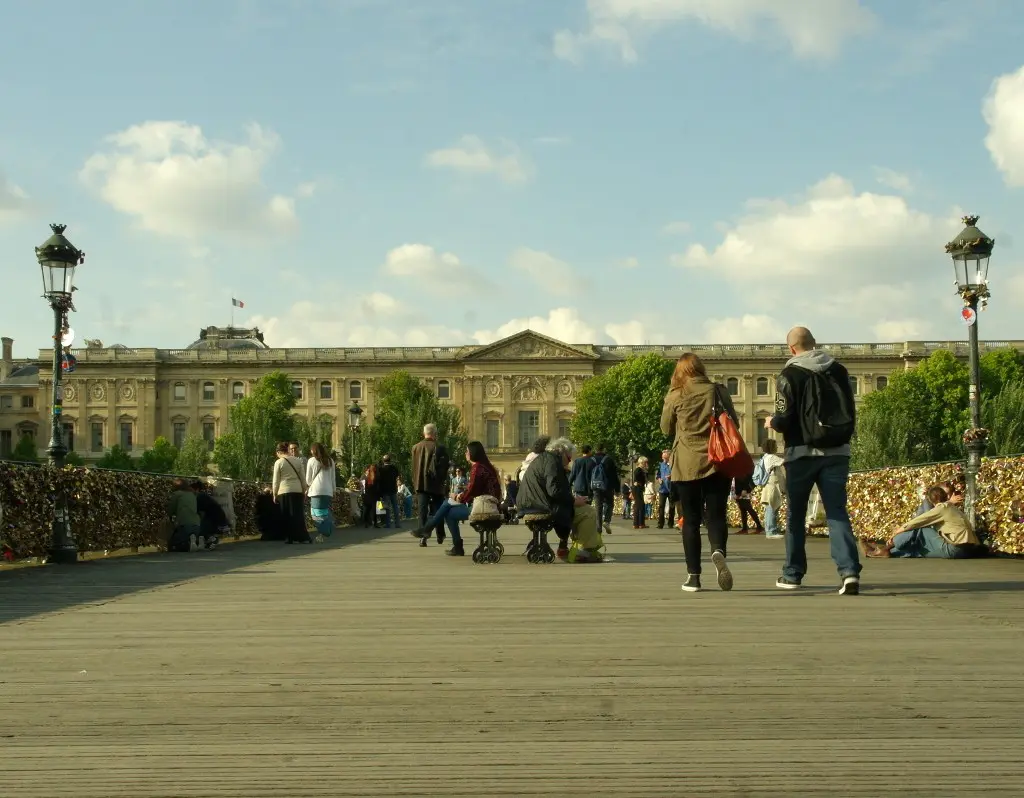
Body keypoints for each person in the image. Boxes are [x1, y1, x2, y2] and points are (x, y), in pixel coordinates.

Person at [766, 326, 861, 595]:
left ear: (791, 349)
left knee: (796, 515)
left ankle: (793, 574)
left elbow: (784, 419)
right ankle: (849, 571)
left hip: (801, 454)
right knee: (837, 513)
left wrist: (772, 421)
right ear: (815, 343)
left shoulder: (789, 374)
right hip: (837, 452)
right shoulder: (839, 370)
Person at [660, 353, 737, 593]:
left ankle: (693, 577)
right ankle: (718, 550)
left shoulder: (676, 395)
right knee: (716, 516)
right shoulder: (719, 391)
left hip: (686, 463)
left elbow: (665, 428)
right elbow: (733, 421)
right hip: (718, 460)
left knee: (691, 521)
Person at [517, 436, 604, 562]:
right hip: (540, 505)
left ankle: (568, 547)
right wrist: (574, 501)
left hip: (531, 502)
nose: (569, 462)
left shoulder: (545, 459)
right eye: (569, 458)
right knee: (588, 512)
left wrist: (572, 499)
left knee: (578, 510)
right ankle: (584, 551)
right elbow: (554, 490)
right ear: (562, 452)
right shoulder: (552, 462)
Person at [411, 441, 501, 556]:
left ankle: (431, 530)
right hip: (488, 505)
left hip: (484, 507)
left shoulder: (477, 468)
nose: (465, 454)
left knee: (448, 507)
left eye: (467, 451)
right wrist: (459, 497)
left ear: (473, 453)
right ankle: (431, 531)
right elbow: (475, 489)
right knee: (448, 508)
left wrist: (458, 497)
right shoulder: (485, 466)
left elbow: (472, 490)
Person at [861, 485, 980, 558]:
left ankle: (886, 548)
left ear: (932, 499)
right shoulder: (953, 508)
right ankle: (886, 551)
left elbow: (916, 522)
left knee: (921, 529)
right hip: (967, 550)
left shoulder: (942, 508)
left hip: (954, 549)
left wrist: (897, 532)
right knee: (919, 549)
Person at [411, 423, 451, 547]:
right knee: (438, 510)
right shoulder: (439, 447)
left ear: (424, 433)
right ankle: (440, 534)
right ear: (435, 434)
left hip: (421, 484)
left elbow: (413, 467)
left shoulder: (416, 447)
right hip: (436, 484)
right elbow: (445, 467)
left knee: (422, 511)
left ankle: (423, 538)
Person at [273, 441, 311, 544]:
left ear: (279, 452)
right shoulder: (298, 461)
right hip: (297, 490)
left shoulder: (279, 462)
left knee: (286, 515)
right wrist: (304, 490)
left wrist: (274, 493)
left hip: (284, 490)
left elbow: (276, 480)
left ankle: (289, 537)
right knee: (298, 514)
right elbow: (303, 478)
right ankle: (302, 536)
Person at [754, 439, 786, 539]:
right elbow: (785, 461)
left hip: (769, 485)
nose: (777, 447)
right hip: (772, 484)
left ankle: (771, 529)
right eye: (775, 445)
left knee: (770, 507)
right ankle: (771, 531)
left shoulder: (765, 457)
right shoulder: (772, 457)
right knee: (772, 507)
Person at [306, 443, 337, 539]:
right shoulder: (330, 461)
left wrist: (308, 486)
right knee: (323, 511)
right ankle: (327, 527)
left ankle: (326, 530)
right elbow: (333, 477)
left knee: (316, 514)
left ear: (313, 450)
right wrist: (334, 490)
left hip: (316, 490)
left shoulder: (311, 460)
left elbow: (308, 479)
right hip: (328, 490)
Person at [166, 479, 204, 552]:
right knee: (188, 534)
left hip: (184, 523)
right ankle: (196, 540)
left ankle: (189, 541)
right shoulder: (192, 494)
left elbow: (171, 509)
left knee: (175, 544)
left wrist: (171, 517)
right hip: (197, 524)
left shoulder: (176, 494)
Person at [591, 444, 619, 536]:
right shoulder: (609, 460)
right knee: (609, 503)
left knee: (598, 506)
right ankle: (606, 521)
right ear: (603, 449)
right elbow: (614, 475)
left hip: (595, 486)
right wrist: (617, 488)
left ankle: (598, 527)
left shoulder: (591, 460)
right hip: (607, 486)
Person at [190, 480, 226, 549]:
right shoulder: (203, 495)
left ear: (196, 489)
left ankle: (212, 541)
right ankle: (211, 543)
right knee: (207, 530)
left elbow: (201, 511)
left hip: (214, 516)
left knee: (203, 531)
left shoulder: (200, 496)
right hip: (216, 515)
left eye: (191, 490)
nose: (191, 492)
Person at [376, 454, 402, 529]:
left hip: (384, 491)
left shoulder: (381, 469)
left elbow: (378, 480)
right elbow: (398, 477)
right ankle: (397, 523)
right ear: (390, 460)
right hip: (393, 490)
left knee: (386, 508)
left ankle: (388, 524)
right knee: (395, 507)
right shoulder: (394, 468)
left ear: (383, 461)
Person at [656, 449, 674, 529]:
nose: (663, 459)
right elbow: (658, 474)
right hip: (662, 488)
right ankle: (660, 524)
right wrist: (659, 479)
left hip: (671, 488)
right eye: (662, 457)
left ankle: (670, 523)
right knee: (661, 506)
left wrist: (671, 476)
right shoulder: (661, 465)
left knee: (671, 506)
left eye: (665, 457)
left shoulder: (673, 464)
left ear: (669, 456)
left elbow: (676, 473)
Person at [631, 457, 649, 530]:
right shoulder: (639, 470)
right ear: (642, 462)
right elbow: (637, 478)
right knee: (640, 506)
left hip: (638, 488)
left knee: (638, 506)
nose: (646, 464)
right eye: (645, 462)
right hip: (638, 488)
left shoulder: (640, 470)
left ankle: (638, 523)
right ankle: (640, 523)